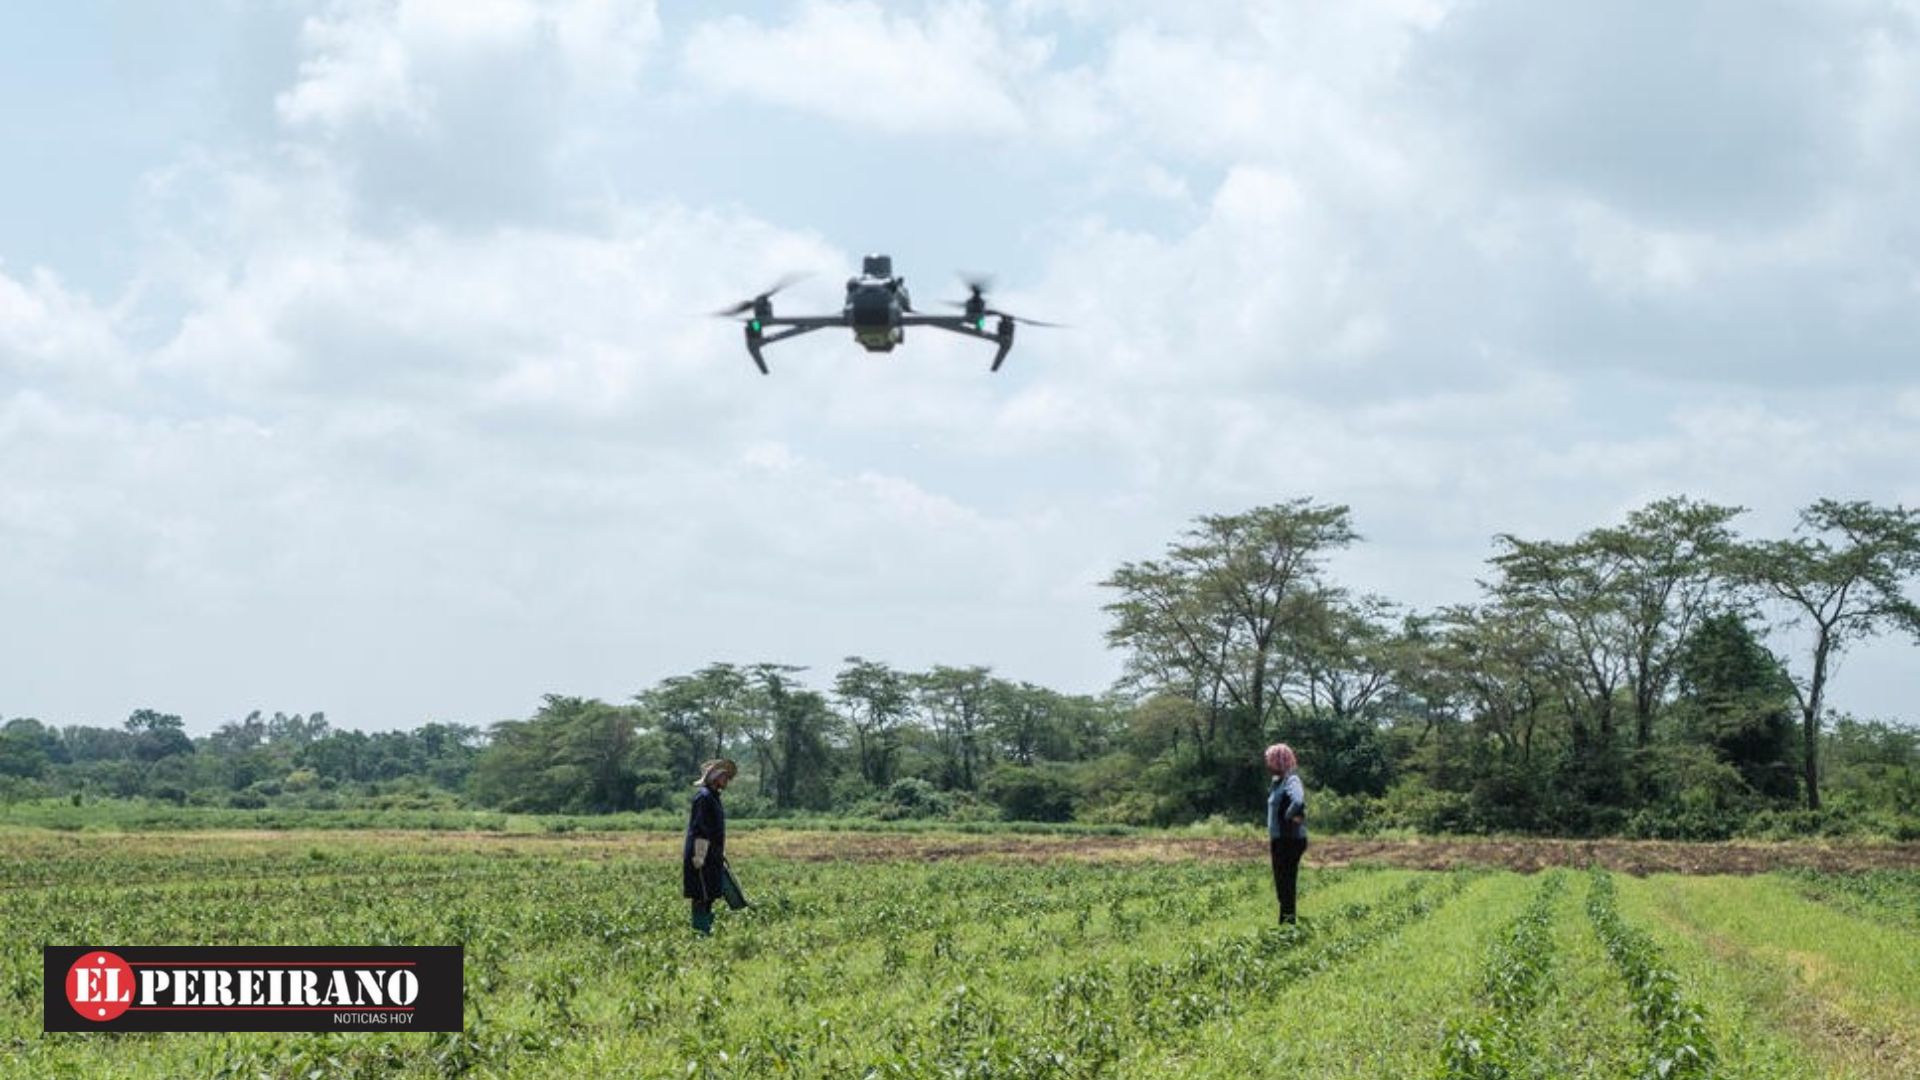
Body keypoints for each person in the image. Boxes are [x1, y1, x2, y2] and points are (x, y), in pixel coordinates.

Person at [683, 758, 737, 936]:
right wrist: (699, 855)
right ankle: (700, 933)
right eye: (724, 776)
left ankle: (705, 931)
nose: (727, 780)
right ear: (714, 777)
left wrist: (720, 853)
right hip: (701, 855)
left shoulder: (713, 797)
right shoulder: (704, 797)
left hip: (712, 856)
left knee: (710, 895)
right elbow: (701, 828)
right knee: (701, 895)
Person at [1265, 743, 1308, 924]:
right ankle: (1286, 924)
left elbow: (1298, 801)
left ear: (1278, 761)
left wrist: (1287, 815)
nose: (1268, 765)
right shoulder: (1277, 782)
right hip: (1280, 839)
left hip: (1289, 840)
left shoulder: (1291, 780)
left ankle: (1288, 926)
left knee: (1286, 885)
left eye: (1270, 760)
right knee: (1282, 886)